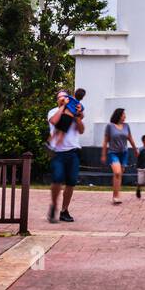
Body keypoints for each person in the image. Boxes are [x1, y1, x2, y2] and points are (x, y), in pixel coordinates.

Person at [46, 92, 86, 223]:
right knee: (57, 180)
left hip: (73, 151)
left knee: (71, 182)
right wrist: (64, 108)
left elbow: (81, 130)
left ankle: (64, 210)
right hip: (58, 152)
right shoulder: (53, 112)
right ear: (57, 100)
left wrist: (78, 117)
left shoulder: (74, 111)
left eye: (66, 96)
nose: (64, 99)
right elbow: (54, 121)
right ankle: (53, 205)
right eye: (61, 97)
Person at [101, 108, 137, 204]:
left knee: (119, 174)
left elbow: (130, 139)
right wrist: (103, 154)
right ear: (118, 115)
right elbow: (105, 141)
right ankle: (116, 196)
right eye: (123, 114)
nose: (125, 116)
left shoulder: (126, 126)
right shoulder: (110, 126)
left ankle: (116, 195)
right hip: (113, 153)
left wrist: (135, 150)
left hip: (124, 153)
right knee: (117, 172)